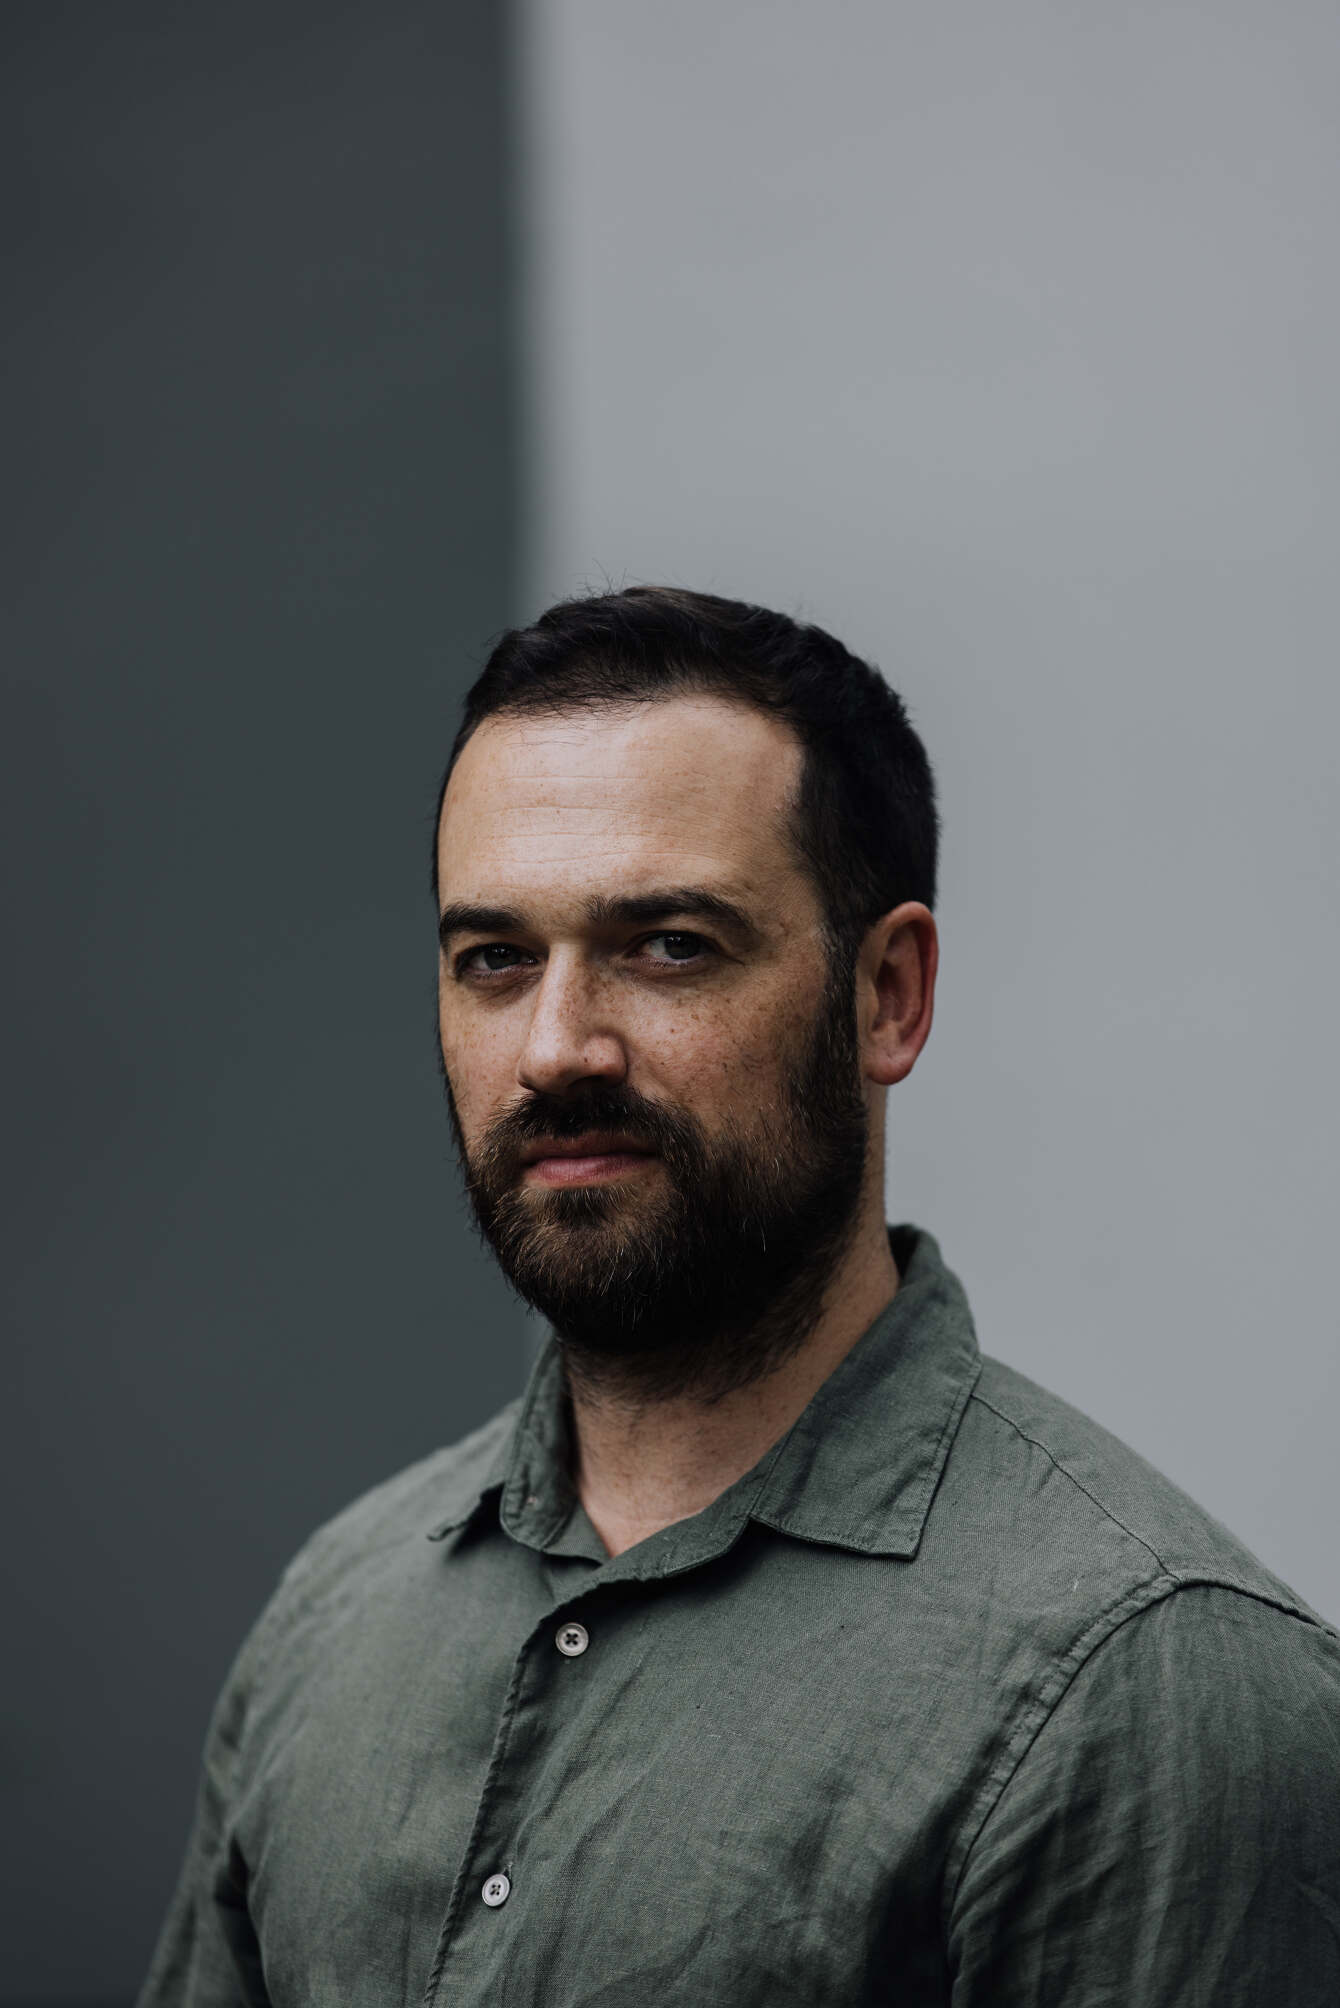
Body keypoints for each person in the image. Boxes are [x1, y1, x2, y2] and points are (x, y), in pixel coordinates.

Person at [139, 586, 1340, 2007]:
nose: (555, 1049)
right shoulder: (336, 1618)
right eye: (495, 960)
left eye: (669, 945)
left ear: (888, 995)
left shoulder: (1152, 1689)